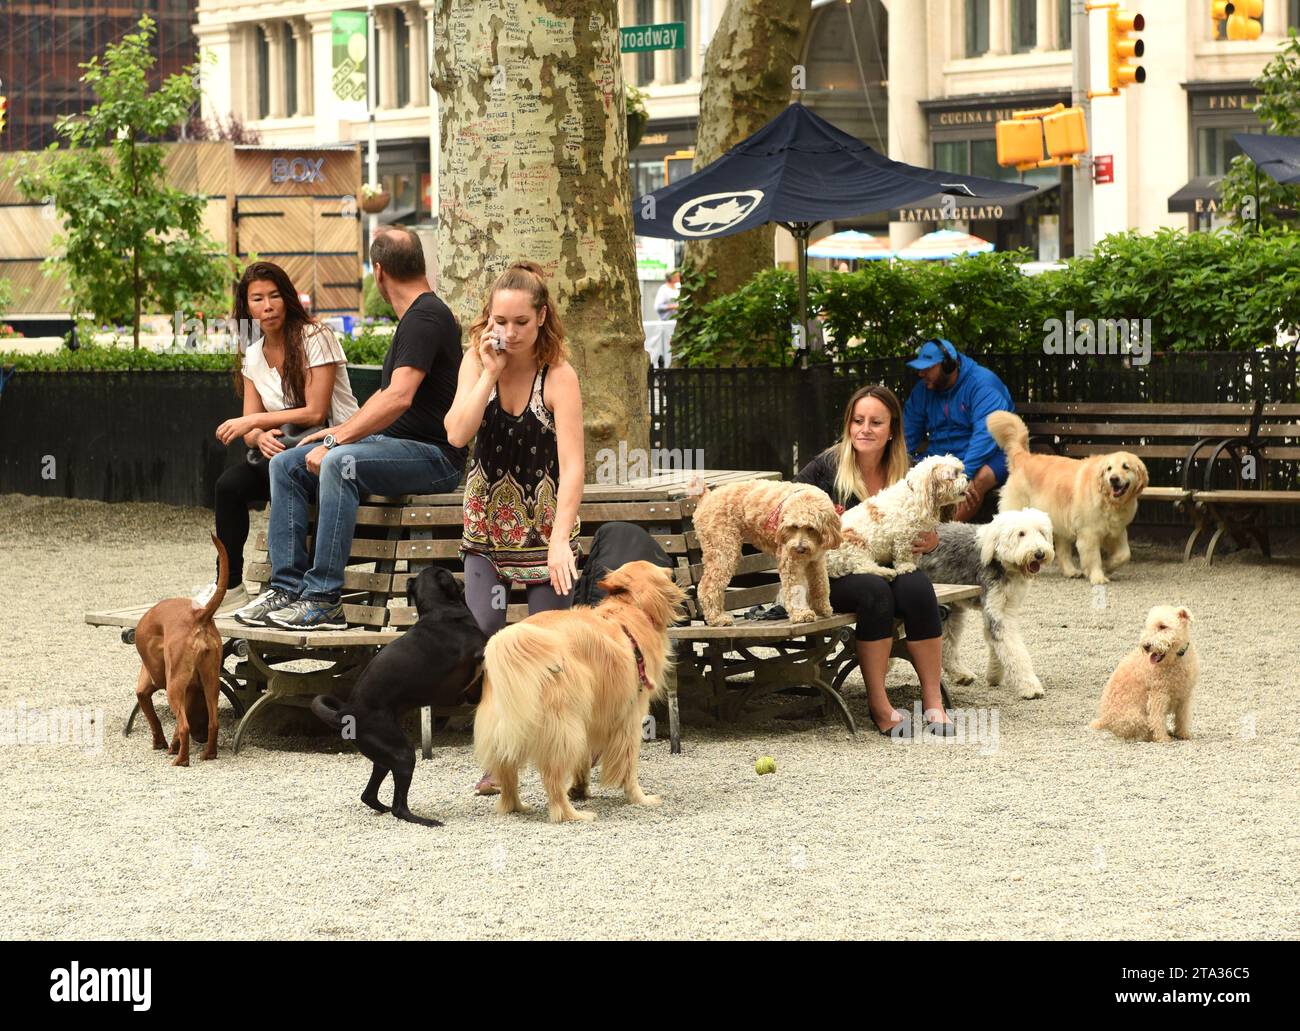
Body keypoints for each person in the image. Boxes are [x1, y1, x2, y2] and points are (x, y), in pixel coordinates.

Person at [234, 227, 465, 629]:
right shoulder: (416, 316)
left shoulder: (426, 316)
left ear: (378, 272)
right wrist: (329, 436)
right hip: (397, 446)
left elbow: (399, 397)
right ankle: (286, 589)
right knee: (286, 463)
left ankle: (324, 598)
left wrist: (336, 438)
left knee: (340, 463)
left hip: (435, 457)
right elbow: (385, 396)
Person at [444, 260, 584, 793]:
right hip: (488, 526)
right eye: (499, 320)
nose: (507, 332)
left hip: (546, 528)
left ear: (541, 317)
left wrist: (558, 543)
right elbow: (457, 435)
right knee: (487, 637)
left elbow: (573, 466)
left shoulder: (559, 375)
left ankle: (558, 756)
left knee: (549, 651)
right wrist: (487, 374)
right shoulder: (476, 362)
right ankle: (499, 757)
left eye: (520, 322)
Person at [795, 385, 955, 735]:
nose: (864, 429)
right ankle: (879, 704)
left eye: (875, 422)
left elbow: (933, 519)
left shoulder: (910, 472)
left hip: (883, 563)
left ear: (892, 430)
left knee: (916, 587)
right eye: (858, 421)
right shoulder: (826, 467)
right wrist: (828, 526)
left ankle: (932, 699)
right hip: (830, 572)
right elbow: (789, 509)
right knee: (874, 592)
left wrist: (931, 539)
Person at [205, 262, 359, 613]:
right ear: (247, 308)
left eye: (275, 296)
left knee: (285, 469)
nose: (268, 305)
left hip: (334, 449)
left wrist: (255, 421)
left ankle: (292, 589)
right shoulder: (253, 355)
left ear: (287, 299)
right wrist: (258, 436)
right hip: (284, 454)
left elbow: (315, 412)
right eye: (258, 299)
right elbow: (249, 429)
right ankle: (228, 586)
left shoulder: (316, 336)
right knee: (229, 486)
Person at [903, 338, 1014, 522]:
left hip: (993, 455)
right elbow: (908, 432)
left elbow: (985, 437)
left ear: (948, 366)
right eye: (920, 368)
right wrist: (898, 461)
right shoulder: (923, 389)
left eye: (928, 367)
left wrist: (962, 476)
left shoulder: (983, 384)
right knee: (910, 476)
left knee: (976, 481)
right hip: (944, 457)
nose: (921, 373)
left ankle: (942, 539)